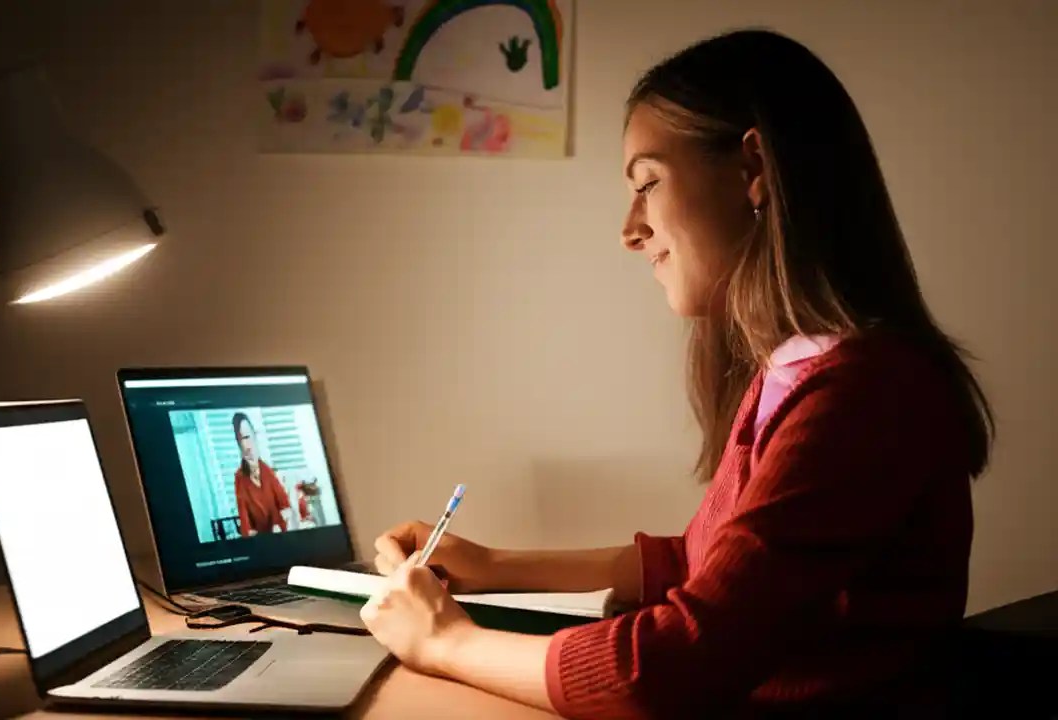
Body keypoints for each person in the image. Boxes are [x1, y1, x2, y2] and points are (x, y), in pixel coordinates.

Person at [359, 29, 993, 719]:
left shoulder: (863, 394)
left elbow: (669, 665)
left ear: (754, 170)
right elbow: (698, 561)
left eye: (648, 184)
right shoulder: (800, 371)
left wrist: (446, 642)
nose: (631, 229)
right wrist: (492, 564)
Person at [231, 412, 292, 536]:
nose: (246, 445)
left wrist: (280, 525)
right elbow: (245, 524)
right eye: (241, 439)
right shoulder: (239, 478)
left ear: (255, 436)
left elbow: (286, 506)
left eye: (247, 437)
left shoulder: (267, 471)